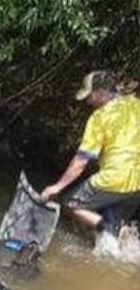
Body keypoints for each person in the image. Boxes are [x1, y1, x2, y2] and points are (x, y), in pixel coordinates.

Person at [41, 70, 140, 238]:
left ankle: (107, 228)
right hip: (137, 182)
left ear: (101, 93)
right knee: (115, 230)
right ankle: (120, 236)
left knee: (70, 204)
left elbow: (81, 161)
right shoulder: (135, 104)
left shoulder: (99, 118)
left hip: (114, 179)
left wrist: (57, 187)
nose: (87, 101)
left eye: (89, 96)